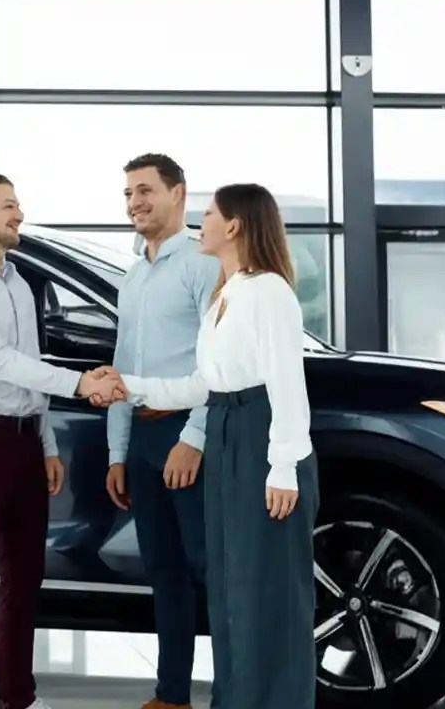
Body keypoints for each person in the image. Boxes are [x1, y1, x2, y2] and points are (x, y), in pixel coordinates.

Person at [93, 183, 318, 709]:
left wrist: (283, 466)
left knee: (268, 591)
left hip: (262, 440)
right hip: (226, 428)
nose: (202, 224)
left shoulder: (269, 292)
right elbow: (205, 383)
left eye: (210, 215)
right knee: (230, 585)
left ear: (235, 225)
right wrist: (133, 386)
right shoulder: (230, 291)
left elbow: (288, 384)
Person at [0, 172, 125, 709]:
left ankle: (18, 696)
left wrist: (45, 443)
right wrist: (82, 383)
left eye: (18, 204)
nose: (19, 213)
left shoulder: (17, 282)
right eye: (8, 205)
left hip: (21, 443)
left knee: (24, 578)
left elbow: (30, 368)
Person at [106, 154, 222, 709]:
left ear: (179, 193)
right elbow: (122, 364)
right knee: (164, 572)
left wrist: (193, 437)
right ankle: (171, 696)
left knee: (211, 569)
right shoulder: (133, 278)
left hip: (186, 435)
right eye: (129, 193)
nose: (135, 203)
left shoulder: (203, 265)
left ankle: (235, 692)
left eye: (146, 190)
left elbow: (219, 362)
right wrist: (117, 451)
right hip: (145, 438)